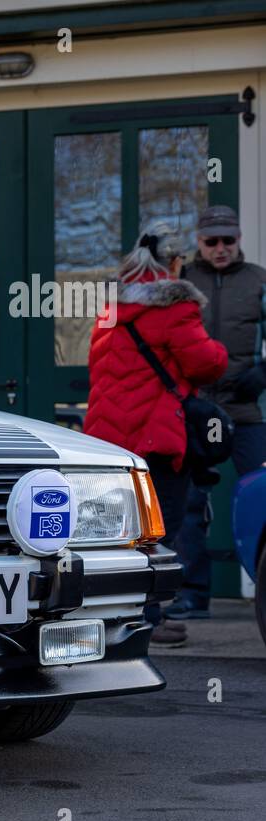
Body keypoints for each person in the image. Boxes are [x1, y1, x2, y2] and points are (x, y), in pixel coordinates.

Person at [84, 220, 228, 646]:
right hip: (157, 436)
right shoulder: (174, 304)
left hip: (110, 437)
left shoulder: (110, 308)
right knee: (157, 529)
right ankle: (148, 617)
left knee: (118, 531)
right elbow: (206, 364)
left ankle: (116, 613)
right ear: (176, 261)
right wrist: (221, 349)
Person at [167, 206, 266, 619]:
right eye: (212, 242)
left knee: (262, 491)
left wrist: (264, 371)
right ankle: (192, 594)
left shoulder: (259, 280)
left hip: (246, 408)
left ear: (239, 239)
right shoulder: (181, 282)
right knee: (191, 501)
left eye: (229, 240)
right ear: (199, 242)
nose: (221, 248)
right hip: (198, 409)